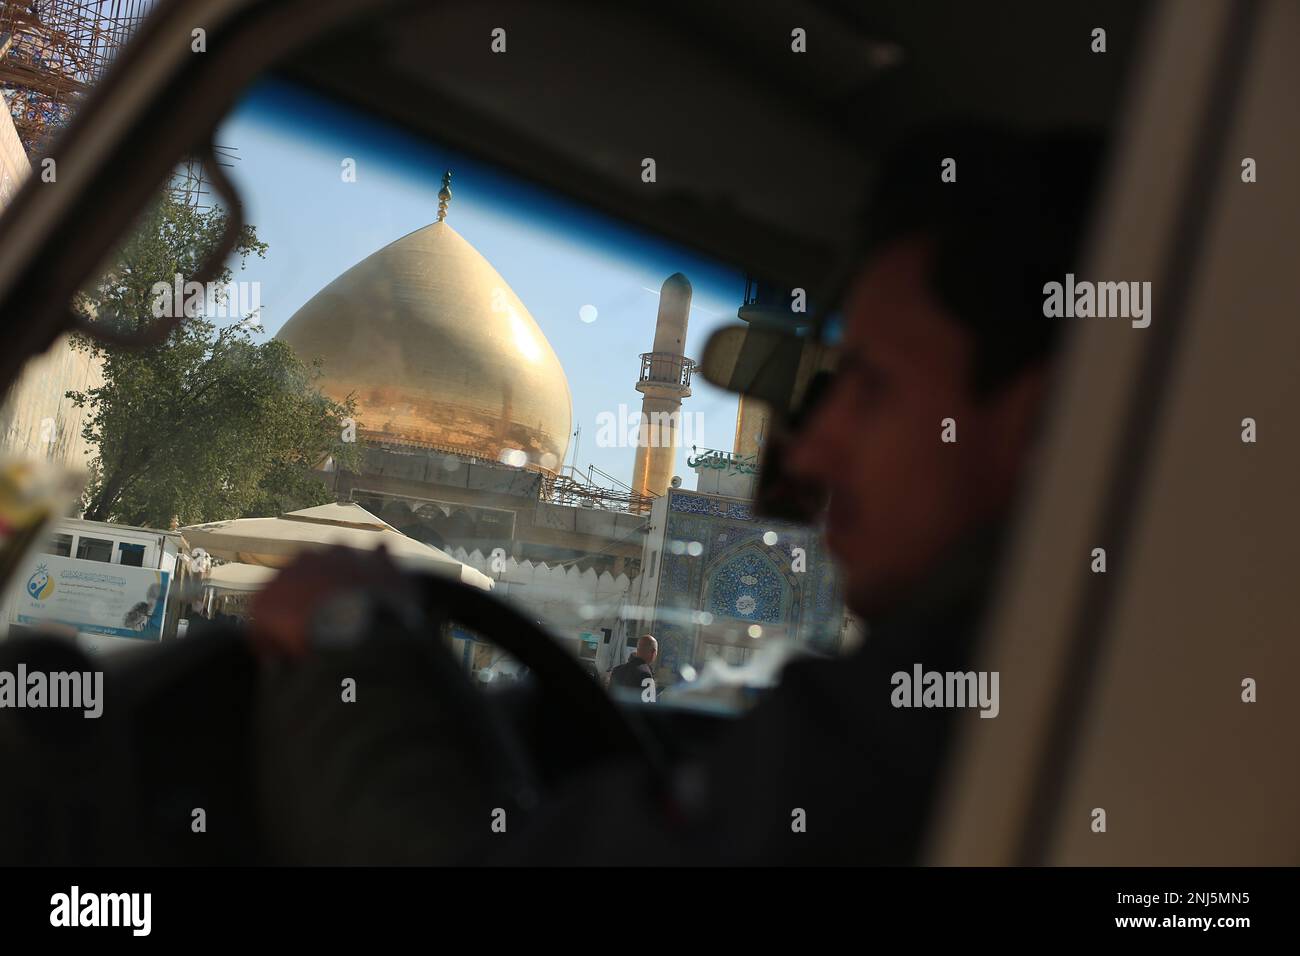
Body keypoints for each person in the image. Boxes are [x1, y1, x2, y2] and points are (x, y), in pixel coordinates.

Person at [248, 123, 1104, 865]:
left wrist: (350, 643)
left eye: (871, 387)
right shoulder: (1037, 697)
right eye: (823, 390)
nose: (811, 451)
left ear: (1036, 428)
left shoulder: (916, 726)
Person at [609, 634, 658, 701]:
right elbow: (649, 705)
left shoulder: (617, 670)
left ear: (637, 649)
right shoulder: (646, 675)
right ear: (653, 652)